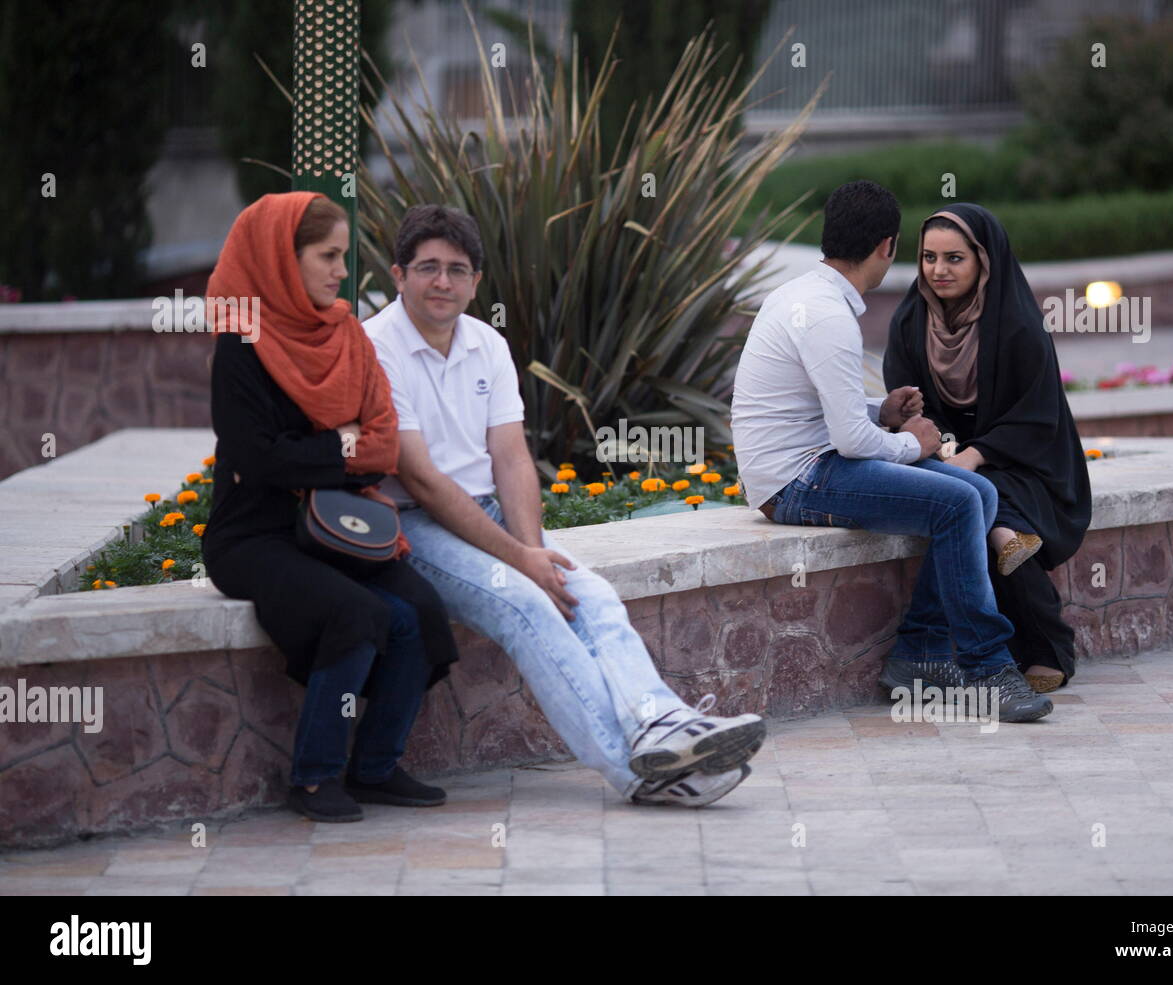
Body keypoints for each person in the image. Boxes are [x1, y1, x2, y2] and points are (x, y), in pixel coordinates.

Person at [361, 204, 766, 807]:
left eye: (457, 270)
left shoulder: (486, 344)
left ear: (475, 281)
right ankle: (643, 777)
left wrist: (533, 550)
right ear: (398, 275)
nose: (442, 282)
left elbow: (512, 459)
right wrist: (525, 565)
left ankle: (661, 724)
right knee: (527, 605)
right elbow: (420, 480)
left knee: (590, 594)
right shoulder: (376, 347)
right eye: (427, 268)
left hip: (487, 518)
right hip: (412, 527)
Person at [730, 180, 1053, 722]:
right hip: (795, 482)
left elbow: (829, 412)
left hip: (803, 464)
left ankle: (921, 656)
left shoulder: (804, 295)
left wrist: (880, 408)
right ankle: (988, 668)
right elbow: (850, 443)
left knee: (977, 490)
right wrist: (913, 441)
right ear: (888, 246)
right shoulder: (828, 315)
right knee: (957, 503)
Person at [203, 192, 460, 823]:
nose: (341, 271)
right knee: (357, 613)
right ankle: (314, 778)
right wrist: (338, 443)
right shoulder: (242, 344)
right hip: (253, 535)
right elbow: (256, 459)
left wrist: (322, 449)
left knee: (421, 611)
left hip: (339, 525)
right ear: (281, 260)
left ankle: (374, 767)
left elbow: (378, 445)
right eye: (327, 255)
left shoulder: (345, 333)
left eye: (343, 256)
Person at [884, 205, 1092, 692]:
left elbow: (1037, 418)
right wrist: (922, 433)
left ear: (984, 260)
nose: (938, 271)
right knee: (980, 505)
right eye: (929, 257)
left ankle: (1038, 636)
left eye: (955, 258)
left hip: (1031, 464)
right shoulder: (911, 320)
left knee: (986, 501)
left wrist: (975, 456)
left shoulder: (1018, 325)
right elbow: (907, 405)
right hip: (943, 458)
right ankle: (1048, 647)